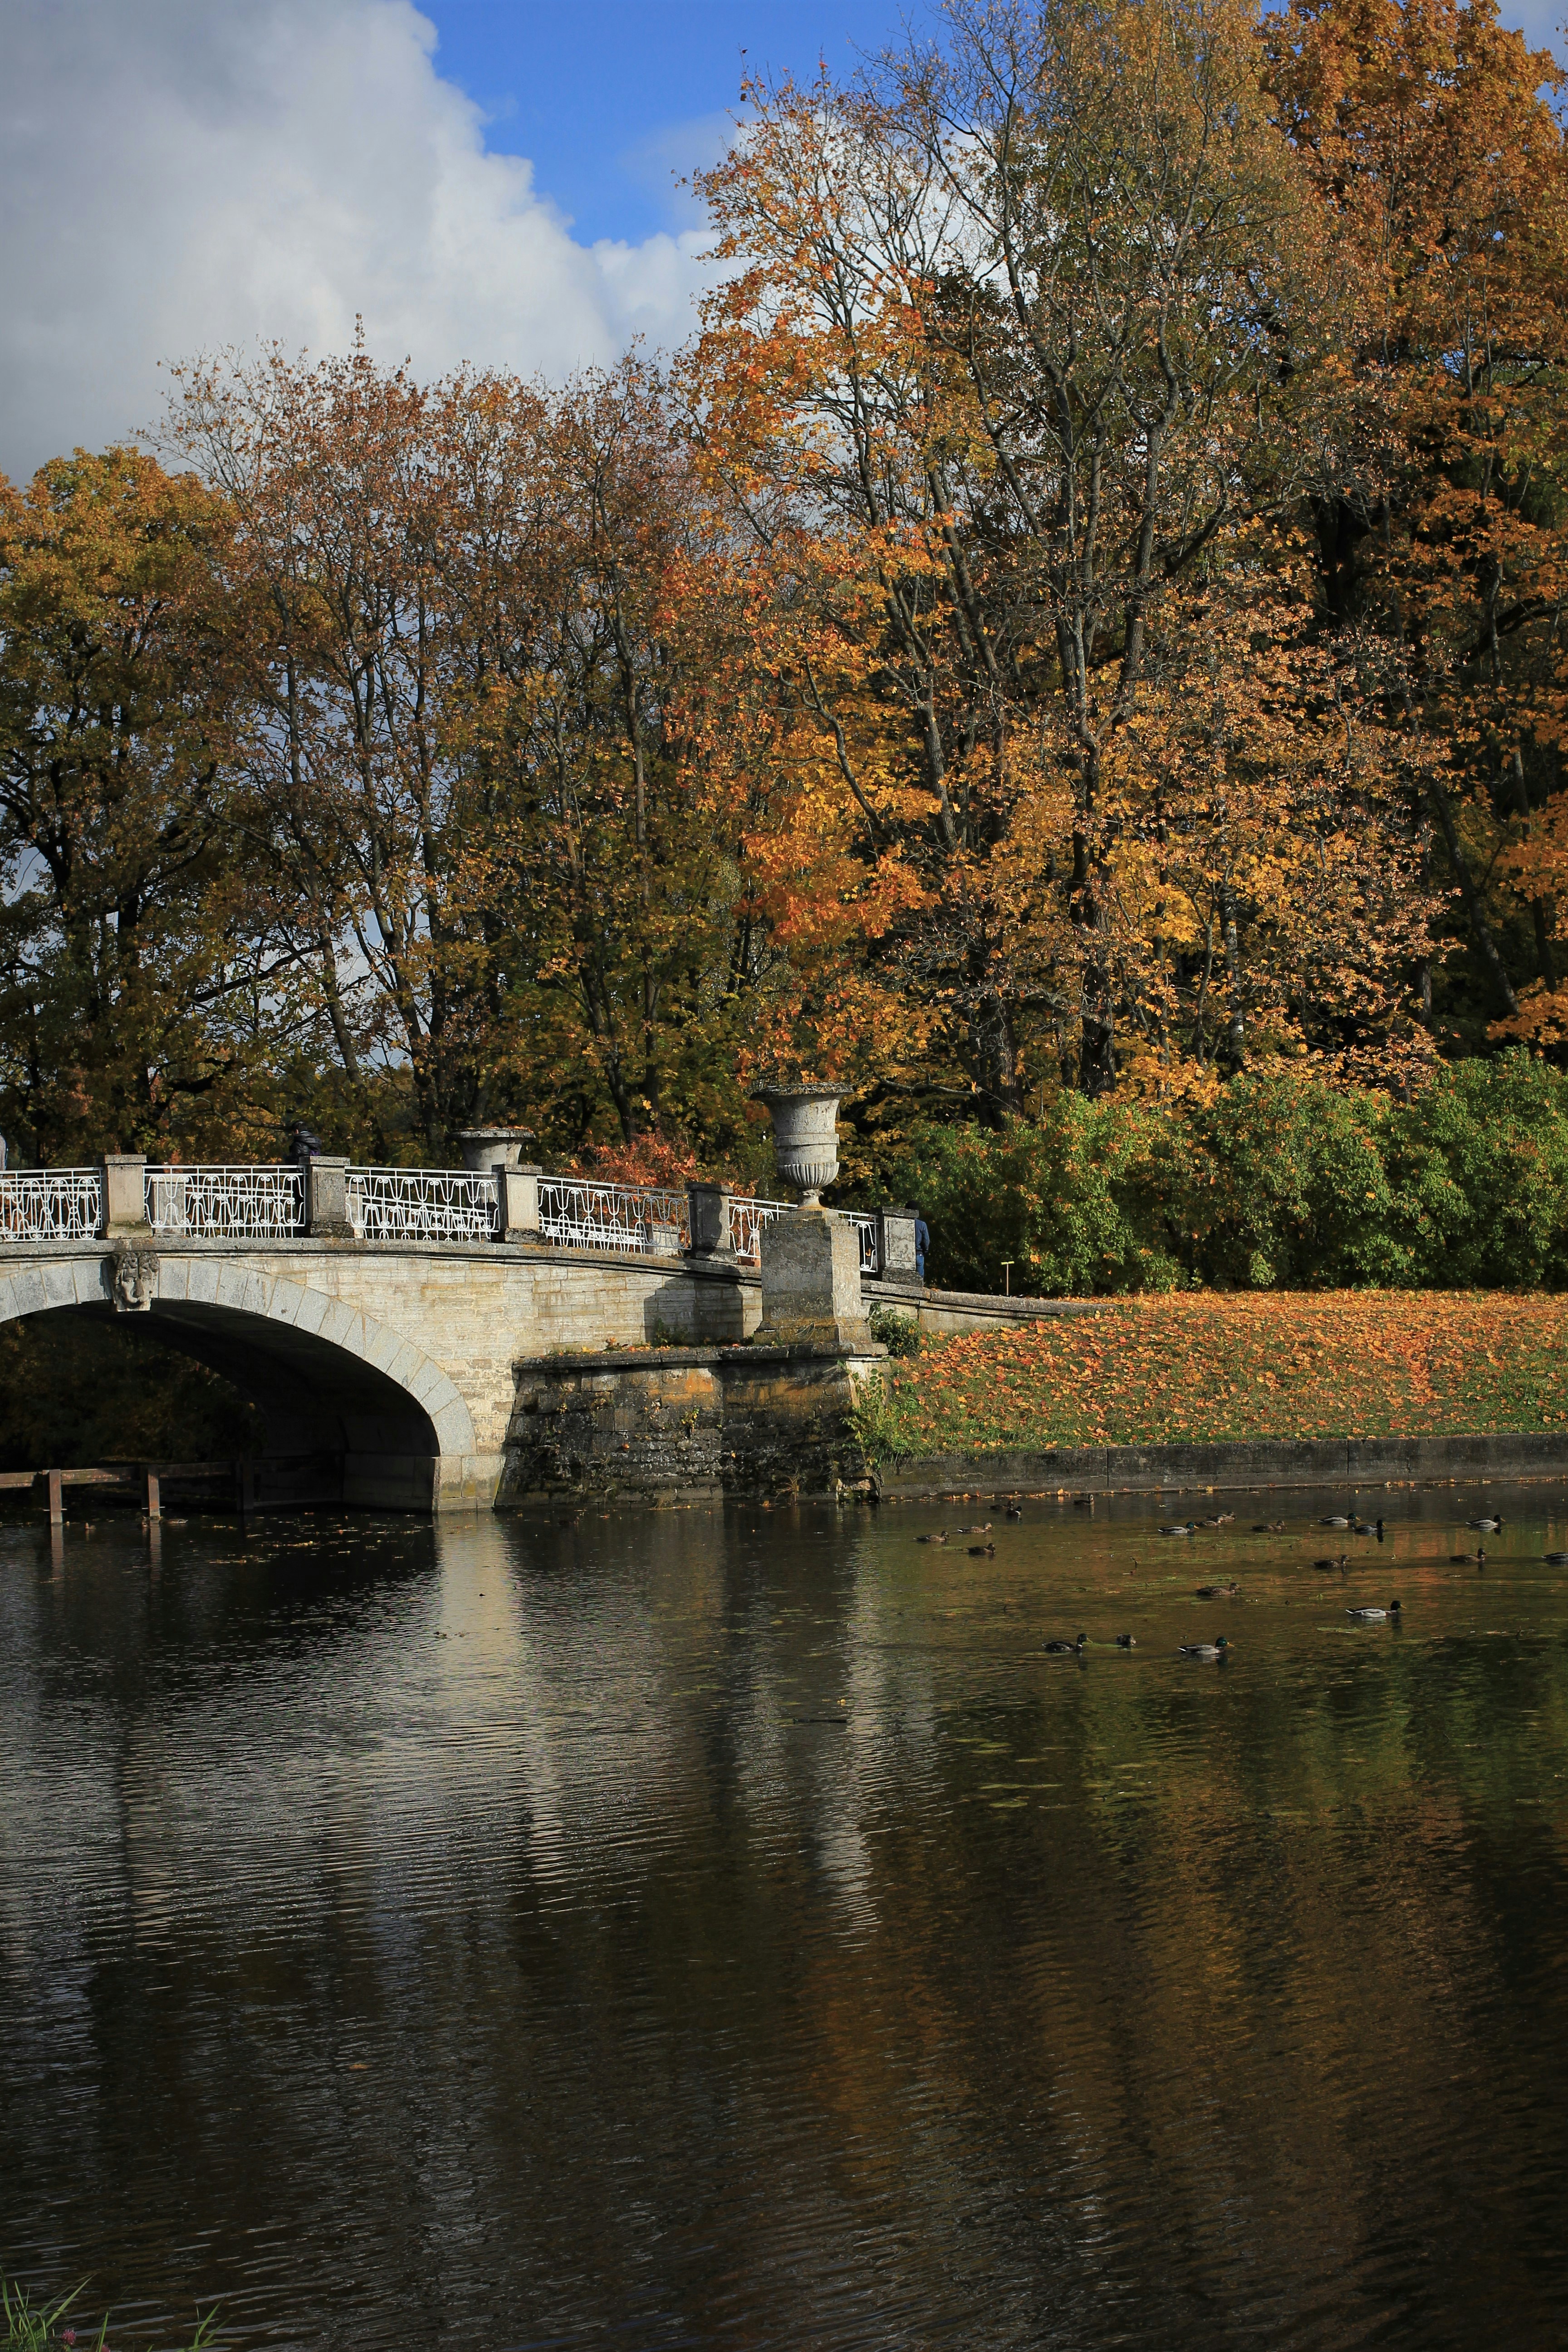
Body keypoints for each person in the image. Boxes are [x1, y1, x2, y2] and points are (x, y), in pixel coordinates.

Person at [914, 1208, 930, 1283]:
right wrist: (925, 1251)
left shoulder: (901, 1223)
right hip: (918, 1254)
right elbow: (926, 1241)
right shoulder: (922, 1224)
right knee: (919, 1280)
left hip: (905, 1254)